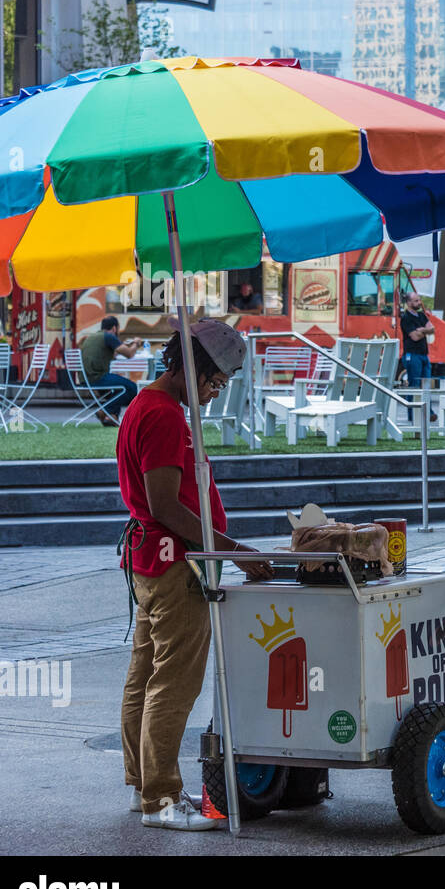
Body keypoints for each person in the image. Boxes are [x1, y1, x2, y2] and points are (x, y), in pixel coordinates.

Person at [117, 319, 274, 832]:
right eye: (214, 381)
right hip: (176, 566)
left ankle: (144, 785)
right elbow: (166, 506)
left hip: (152, 564)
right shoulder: (162, 415)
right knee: (173, 684)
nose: (214, 392)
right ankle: (162, 800)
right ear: (192, 368)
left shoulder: (148, 406)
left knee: (145, 677)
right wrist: (232, 551)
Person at [81, 315, 143, 426]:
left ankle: (111, 417)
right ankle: (104, 410)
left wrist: (121, 345)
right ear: (114, 328)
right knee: (133, 388)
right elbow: (129, 354)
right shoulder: (109, 337)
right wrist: (136, 343)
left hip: (85, 378)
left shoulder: (93, 336)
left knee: (119, 389)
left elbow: (111, 353)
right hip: (97, 377)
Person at [400, 292, 438, 422]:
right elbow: (414, 337)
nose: (419, 303)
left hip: (423, 355)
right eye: (416, 301)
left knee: (426, 385)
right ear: (409, 303)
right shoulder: (406, 318)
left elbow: (432, 329)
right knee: (414, 385)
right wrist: (424, 331)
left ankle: (428, 413)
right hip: (412, 354)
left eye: (419, 300)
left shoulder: (421, 315)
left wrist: (421, 330)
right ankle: (413, 416)